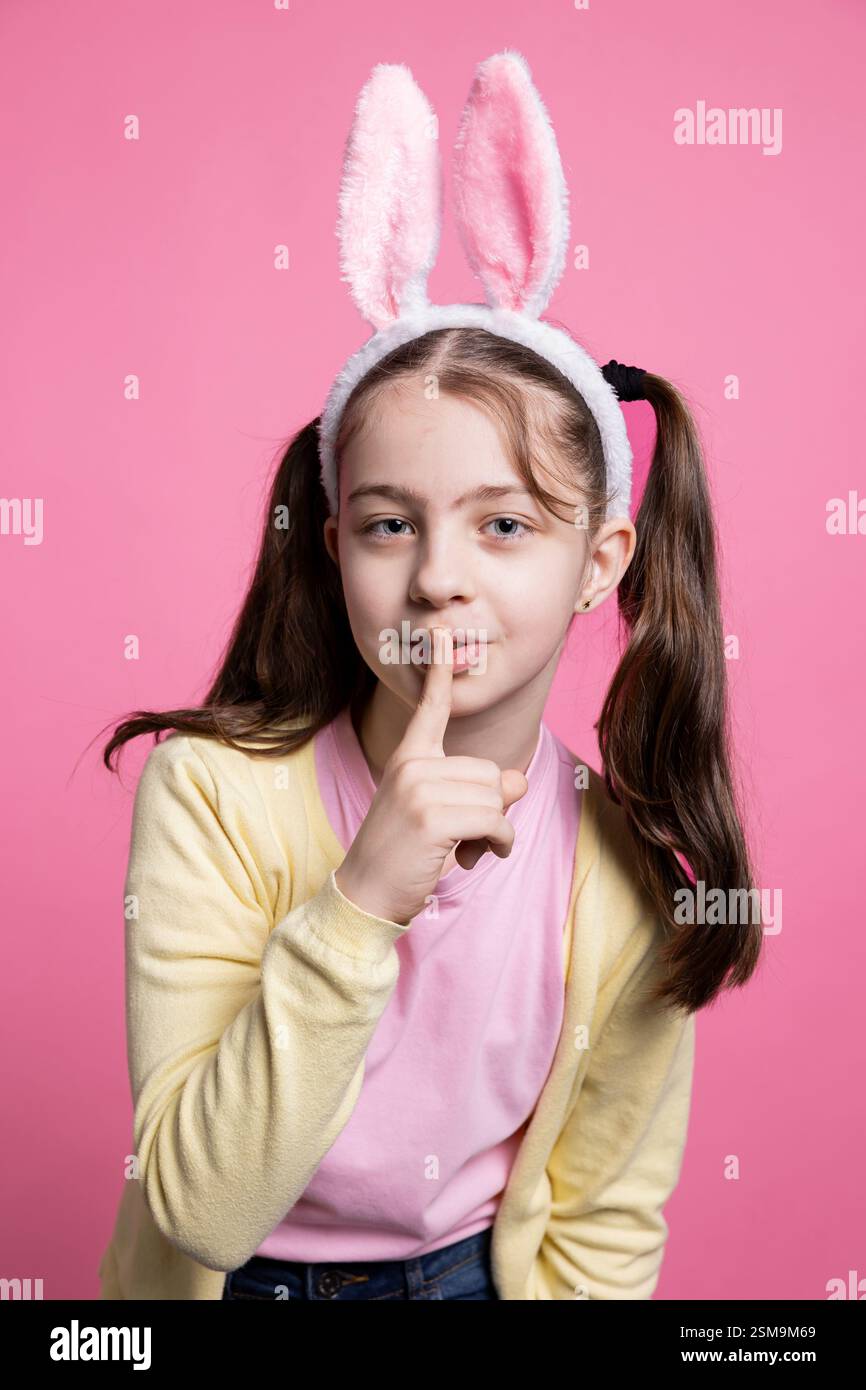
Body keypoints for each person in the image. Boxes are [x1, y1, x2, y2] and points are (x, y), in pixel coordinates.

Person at [96, 51, 762, 1302]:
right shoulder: (211, 794)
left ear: (595, 560)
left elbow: (605, 1218)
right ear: (333, 541)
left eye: (504, 526)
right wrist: (361, 901)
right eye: (389, 524)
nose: (437, 579)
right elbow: (199, 1209)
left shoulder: (624, 869)